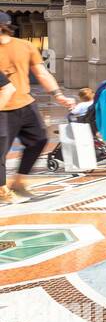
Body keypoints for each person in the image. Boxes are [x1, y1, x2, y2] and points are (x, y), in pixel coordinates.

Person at [0, 12, 75, 202]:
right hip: (2, 109)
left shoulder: (25, 46)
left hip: (25, 104)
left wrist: (58, 94)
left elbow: (41, 73)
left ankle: (19, 181)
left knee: (39, 139)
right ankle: (2, 190)